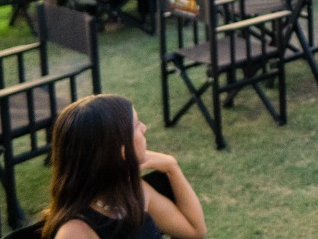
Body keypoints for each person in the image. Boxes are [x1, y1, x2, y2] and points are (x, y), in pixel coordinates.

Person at [42, 94, 206, 239]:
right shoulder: (75, 232)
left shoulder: (134, 193)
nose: (144, 127)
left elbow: (195, 231)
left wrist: (172, 167)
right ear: (121, 150)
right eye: (135, 125)